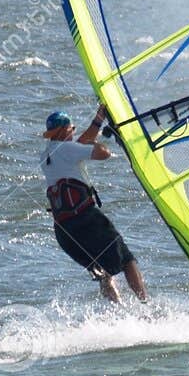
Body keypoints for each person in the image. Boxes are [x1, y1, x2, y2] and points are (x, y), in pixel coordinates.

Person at [41, 107, 148, 303]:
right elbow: (103, 153)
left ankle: (120, 314)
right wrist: (96, 141)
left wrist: (99, 119)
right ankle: (145, 304)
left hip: (64, 231)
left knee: (102, 271)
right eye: (72, 129)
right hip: (86, 220)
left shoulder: (47, 155)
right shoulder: (68, 149)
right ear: (65, 130)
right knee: (126, 259)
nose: (74, 132)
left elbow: (79, 144)